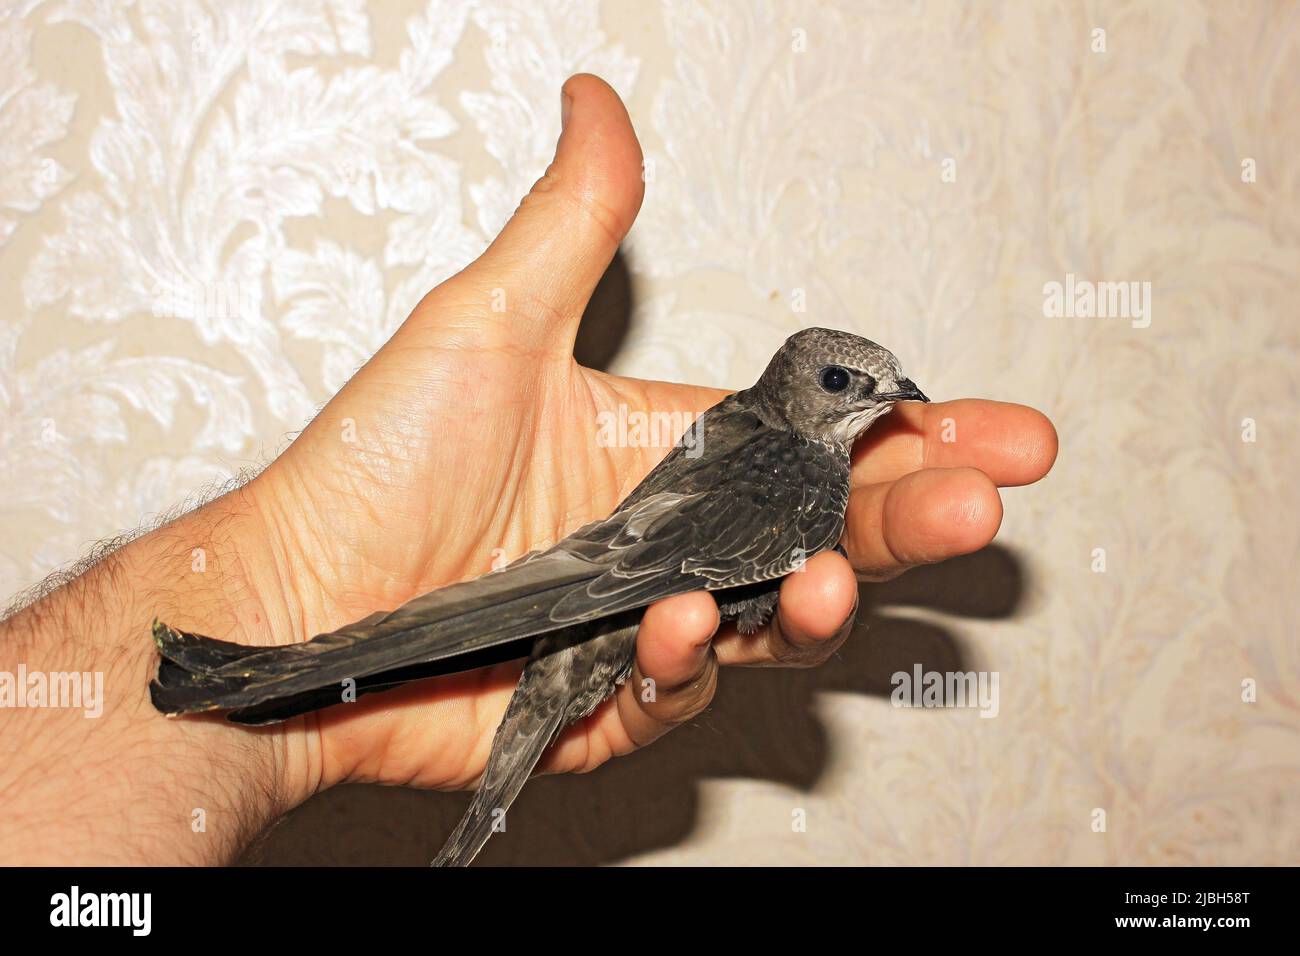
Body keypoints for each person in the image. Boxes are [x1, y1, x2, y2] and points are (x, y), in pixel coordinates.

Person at [0, 75, 1056, 865]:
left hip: (610, 600)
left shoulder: (766, 443)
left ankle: (254, 673)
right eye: (842, 381)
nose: (871, 395)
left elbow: (652, 556)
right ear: (795, 383)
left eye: (877, 381)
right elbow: (641, 561)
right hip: (605, 600)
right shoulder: (798, 477)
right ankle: (251, 671)